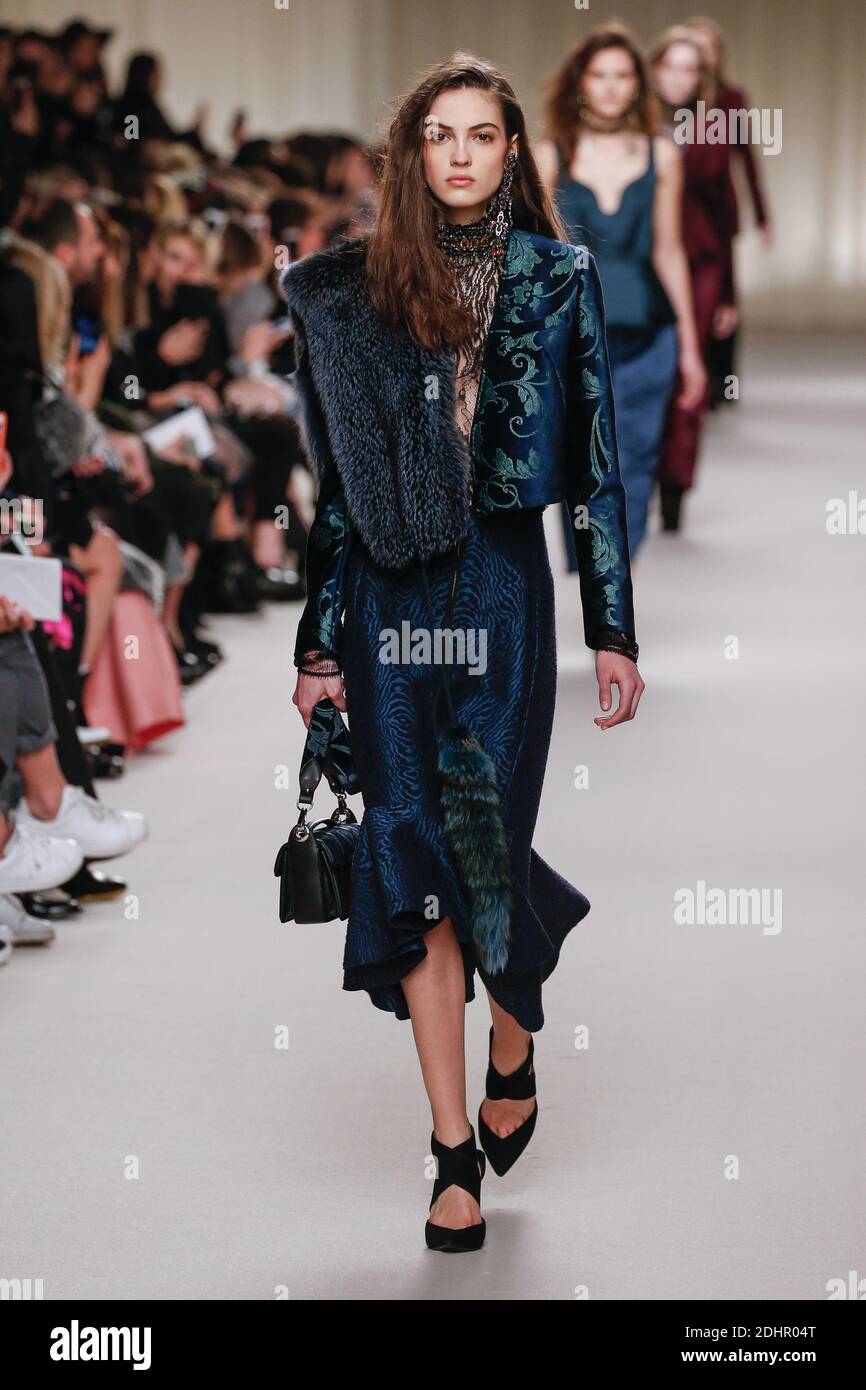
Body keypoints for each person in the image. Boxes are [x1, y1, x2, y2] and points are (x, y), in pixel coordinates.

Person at [283, 53, 645, 1253]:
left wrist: (610, 627)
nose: (457, 153)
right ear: (411, 151)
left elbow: (594, 464)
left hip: (499, 589)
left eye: (479, 134)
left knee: (481, 847)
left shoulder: (558, 277)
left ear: (509, 150)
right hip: (387, 598)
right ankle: (450, 1153)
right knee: (407, 852)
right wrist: (318, 643)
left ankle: (514, 1024)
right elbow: (336, 487)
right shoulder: (356, 288)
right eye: (437, 133)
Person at [534, 21, 705, 556]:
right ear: (580, 82)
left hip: (648, 332)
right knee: (580, 458)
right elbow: (538, 255)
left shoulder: (663, 156)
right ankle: (597, 572)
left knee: (634, 458)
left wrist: (691, 349)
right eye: (599, 74)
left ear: (637, 85)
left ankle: (617, 585)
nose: (610, 86)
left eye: (622, 75)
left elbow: (669, 250)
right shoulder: (549, 157)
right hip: (573, 335)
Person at [650, 25, 736, 531]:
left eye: (691, 68)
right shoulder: (633, 126)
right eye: (671, 66)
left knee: (690, 372)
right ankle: (641, 468)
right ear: (654, 69)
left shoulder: (714, 126)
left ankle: (675, 485)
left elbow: (724, 208)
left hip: (701, 259)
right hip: (644, 261)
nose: (680, 77)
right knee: (643, 368)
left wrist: (729, 292)